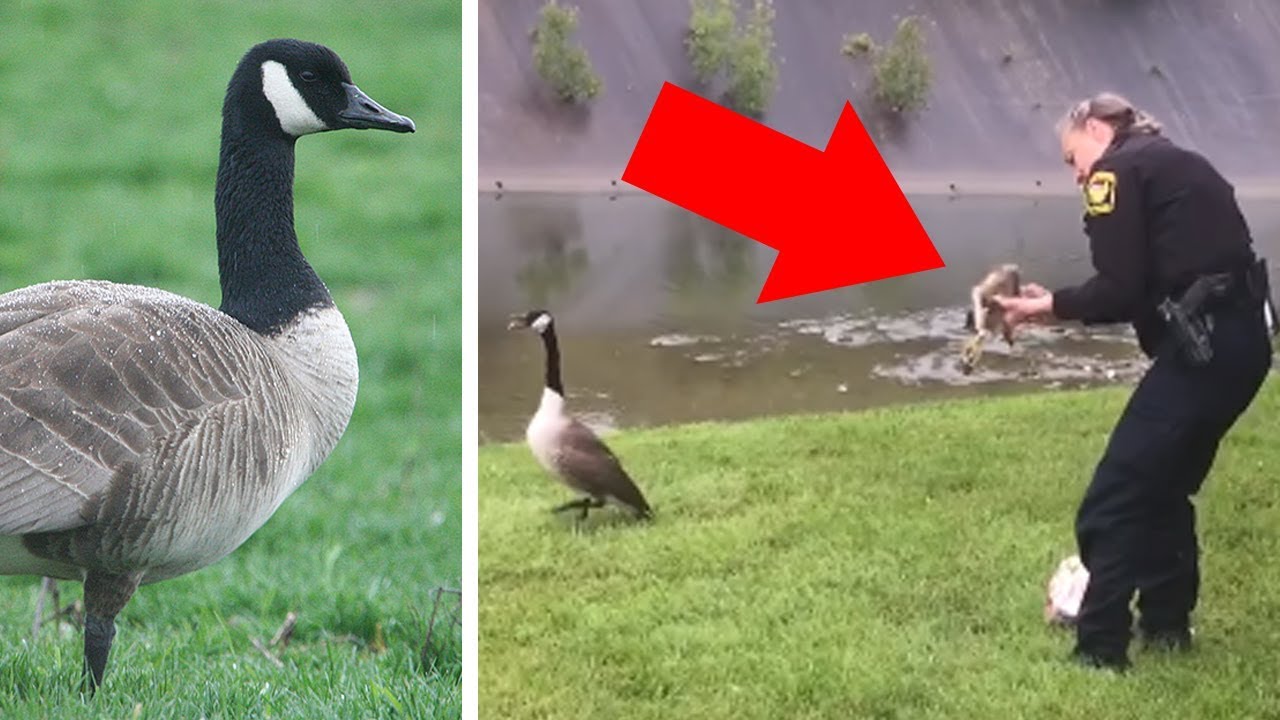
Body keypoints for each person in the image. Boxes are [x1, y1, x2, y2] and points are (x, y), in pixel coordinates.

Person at [996, 92, 1275, 671]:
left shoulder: (1118, 171)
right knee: (1164, 487)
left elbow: (1120, 287)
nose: (1078, 177)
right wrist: (1056, 306)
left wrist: (1051, 307)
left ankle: (1099, 650)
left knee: (1116, 496)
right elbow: (1148, 282)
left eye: (1073, 160)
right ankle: (1169, 626)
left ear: (1096, 129)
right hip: (1243, 346)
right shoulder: (1176, 163)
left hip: (1204, 353)